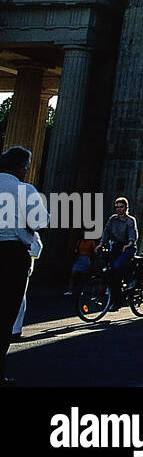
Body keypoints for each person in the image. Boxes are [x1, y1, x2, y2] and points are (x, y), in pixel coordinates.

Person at [1, 146, 48, 385]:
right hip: (11, 254)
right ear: (21, 168)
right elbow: (40, 221)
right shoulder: (24, 190)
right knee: (6, 311)